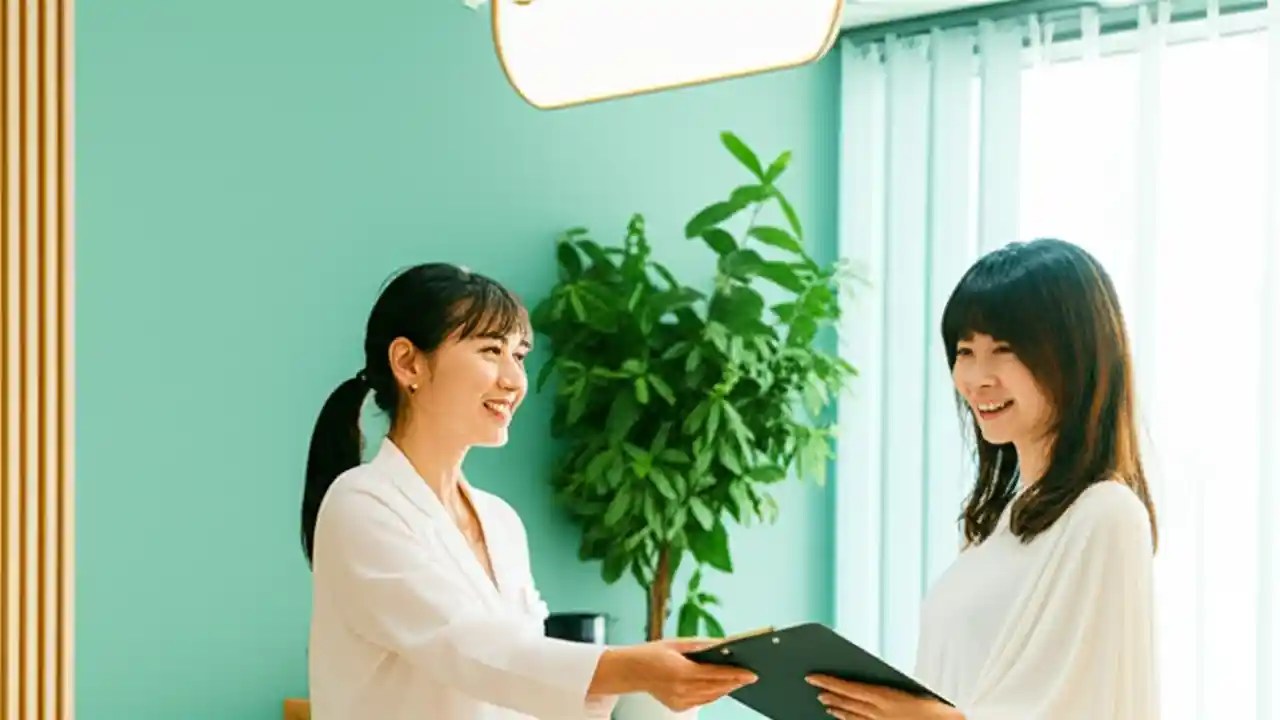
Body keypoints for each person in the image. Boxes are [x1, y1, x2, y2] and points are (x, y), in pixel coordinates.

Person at [301, 262, 756, 720]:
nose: (515, 380)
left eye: (518, 355)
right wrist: (633, 667)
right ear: (408, 362)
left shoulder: (500, 522)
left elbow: (524, 686)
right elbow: (467, 650)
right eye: (490, 350)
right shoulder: (360, 505)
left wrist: (657, 677)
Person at [807, 239, 1160, 719]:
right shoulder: (997, 526)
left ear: (1075, 355)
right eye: (965, 350)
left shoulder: (1106, 514)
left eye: (1005, 350)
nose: (976, 377)